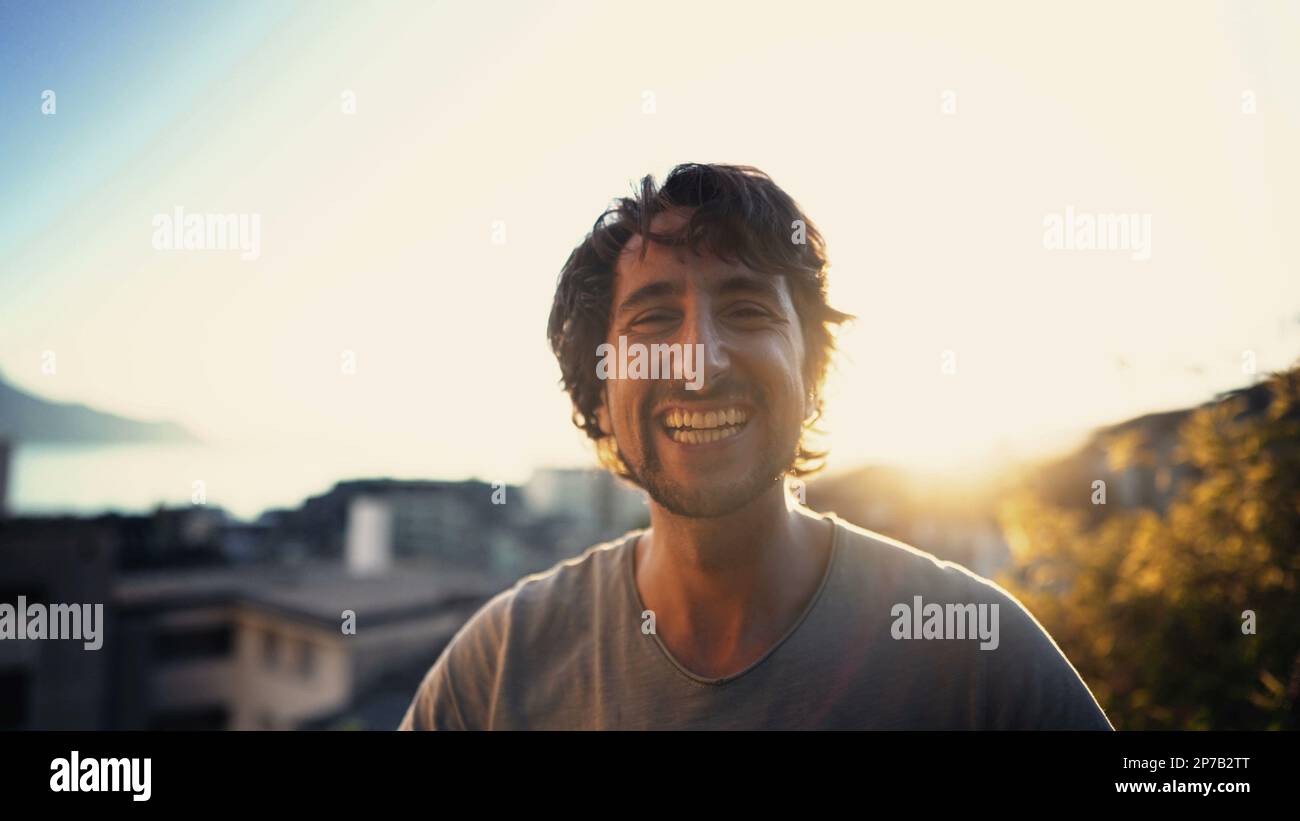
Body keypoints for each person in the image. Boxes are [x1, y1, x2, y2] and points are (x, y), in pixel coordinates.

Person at [400, 163, 1112, 730]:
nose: (699, 363)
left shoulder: (977, 654)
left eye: (745, 309)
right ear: (600, 388)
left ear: (811, 368)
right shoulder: (497, 673)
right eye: (652, 318)